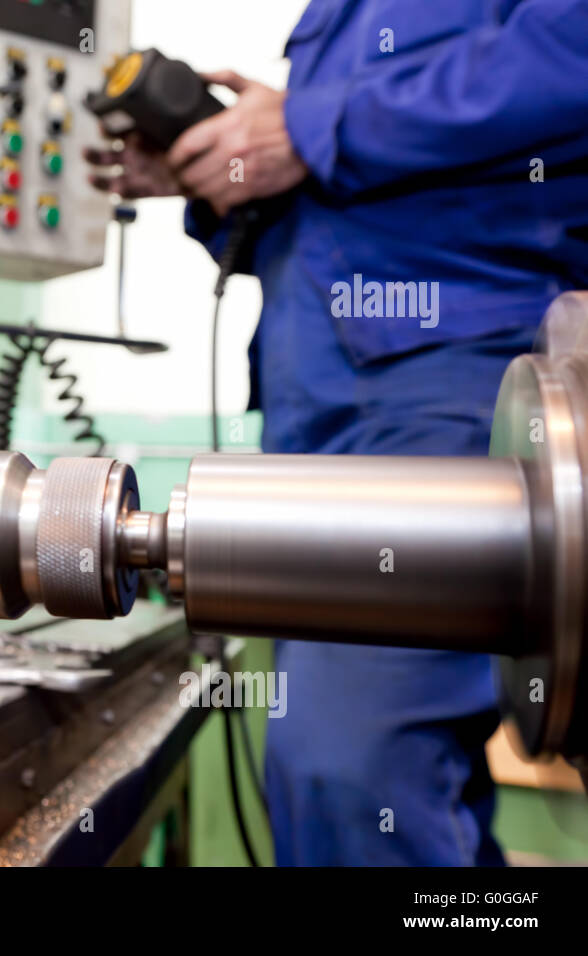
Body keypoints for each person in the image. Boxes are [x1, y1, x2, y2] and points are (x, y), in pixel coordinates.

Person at [85, 0, 588, 865]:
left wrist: (308, 124)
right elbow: (340, 215)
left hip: (454, 391)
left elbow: (565, 61)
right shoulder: (340, 17)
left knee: (349, 768)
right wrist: (215, 173)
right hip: (319, 411)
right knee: (382, 780)